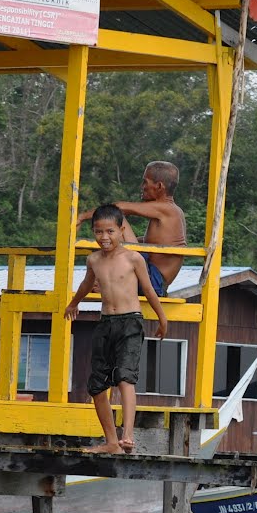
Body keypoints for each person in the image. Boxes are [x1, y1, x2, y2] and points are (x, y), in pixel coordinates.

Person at [64, 203, 168, 454]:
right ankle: (111, 442)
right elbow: (86, 285)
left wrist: (162, 319)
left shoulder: (132, 258)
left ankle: (128, 436)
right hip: (106, 324)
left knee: (124, 377)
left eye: (110, 232)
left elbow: (150, 291)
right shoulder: (94, 260)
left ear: (122, 230)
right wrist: (73, 303)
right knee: (97, 385)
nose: (104, 238)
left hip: (130, 322)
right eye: (99, 232)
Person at [77, 160, 186, 297]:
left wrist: (82, 217)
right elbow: (152, 243)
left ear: (159, 186)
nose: (142, 186)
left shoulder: (168, 209)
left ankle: (104, 282)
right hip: (151, 276)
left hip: (153, 282)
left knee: (116, 215)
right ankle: (102, 281)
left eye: (145, 182)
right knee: (114, 236)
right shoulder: (172, 211)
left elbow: (119, 207)